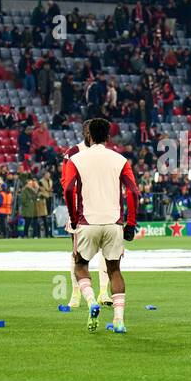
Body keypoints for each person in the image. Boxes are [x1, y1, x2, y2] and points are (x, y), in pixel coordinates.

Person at [60, 118, 138, 334]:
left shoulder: (76, 158)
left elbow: (68, 189)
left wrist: (73, 216)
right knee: (115, 270)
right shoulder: (120, 159)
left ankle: (91, 300)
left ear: (89, 136)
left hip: (87, 221)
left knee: (80, 264)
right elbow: (133, 192)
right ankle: (119, 320)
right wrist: (130, 223)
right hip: (114, 222)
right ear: (108, 137)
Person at [61, 127, 111, 308]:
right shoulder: (73, 153)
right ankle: (76, 294)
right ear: (86, 134)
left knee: (107, 252)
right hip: (80, 209)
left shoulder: (105, 154)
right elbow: (66, 182)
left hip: (103, 208)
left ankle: (104, 292)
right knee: (78, 254)